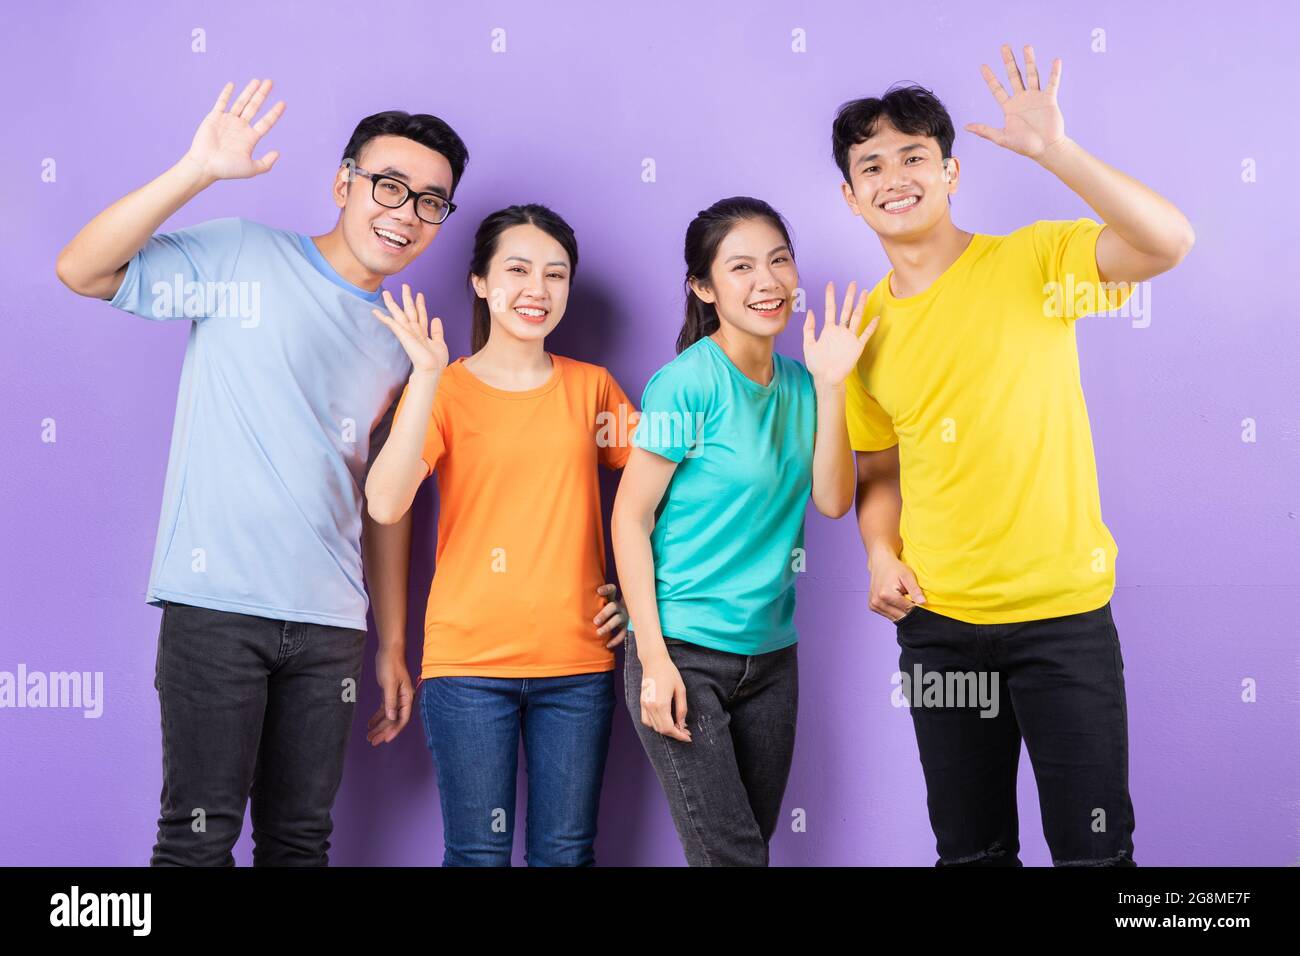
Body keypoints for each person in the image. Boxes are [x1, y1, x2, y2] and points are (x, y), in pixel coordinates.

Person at [55, 79, 470, 865]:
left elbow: (383, 503)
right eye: (389, 185)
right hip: (217, 606)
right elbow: (82, 269)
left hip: (330, 626)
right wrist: (197, 169)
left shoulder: (406, 343)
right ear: (344, 183)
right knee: (196, 843)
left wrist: (391, 643)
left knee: (299, 845)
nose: (406, 213)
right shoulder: (245, 253)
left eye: (430, 201)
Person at [834, 46, 1195, 866]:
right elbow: (879, 470)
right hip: (938, 629)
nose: (895, 178)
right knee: (970, 855)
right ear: (850, 197)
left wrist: (1057, 151)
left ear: (951, 172)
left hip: (1063, 621)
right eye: (871, 166)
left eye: (914, 156)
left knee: (1095, 857)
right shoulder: (863, 333)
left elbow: (1168, 243)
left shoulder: (1033, 261)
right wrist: (880, 553)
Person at [365, 204, 637, 866]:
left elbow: (664, 498)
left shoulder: (593, 389)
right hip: (467, 668)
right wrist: (425, 377)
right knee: (476, 856)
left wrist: (638, 596)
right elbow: (385, 502)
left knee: (565, 855)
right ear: (481, 283)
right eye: (517, 270)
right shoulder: (444, 389)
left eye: (555, 274)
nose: (537, 289)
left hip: (578, 666)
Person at [611, 196, 875, 866]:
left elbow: (833, 500)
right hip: (682, 648)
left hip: (771, 656)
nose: (767, 281)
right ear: (704, 288)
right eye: (741, 267)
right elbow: (630, 517)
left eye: (779, 261)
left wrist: (833, 387)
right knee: (733, 857)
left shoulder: (805, 385)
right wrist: (654, 660)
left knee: (746, 850)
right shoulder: (686, 385)